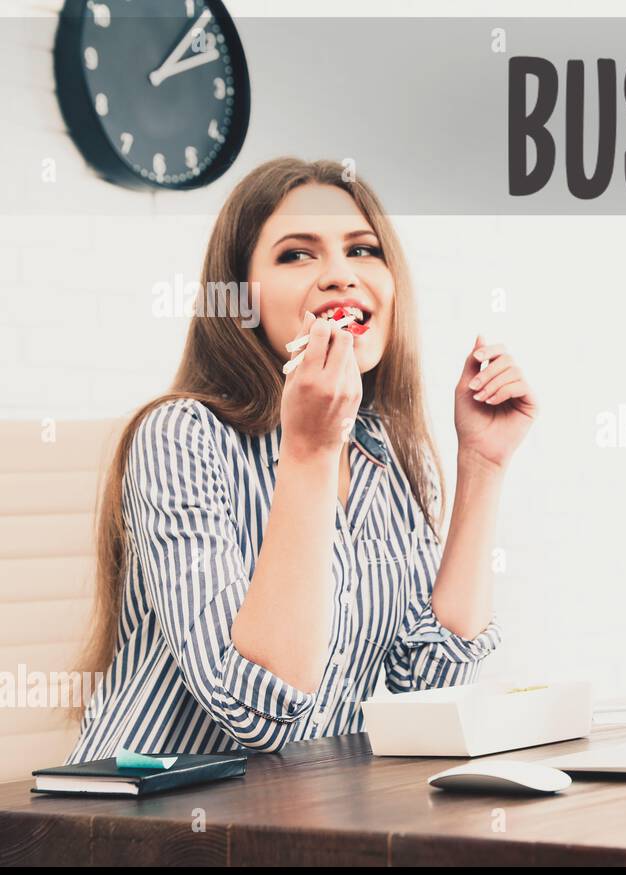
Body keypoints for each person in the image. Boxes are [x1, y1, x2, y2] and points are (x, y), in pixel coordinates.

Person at [67, 158, 537, 763]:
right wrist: (310, 450)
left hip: (308, 818)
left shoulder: (389, 451)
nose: (340, 276)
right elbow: (259, 713)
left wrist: (483, 464)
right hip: (149, 826)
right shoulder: (180, 436)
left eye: (363, 250)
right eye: (296, 255)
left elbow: (428, 691)